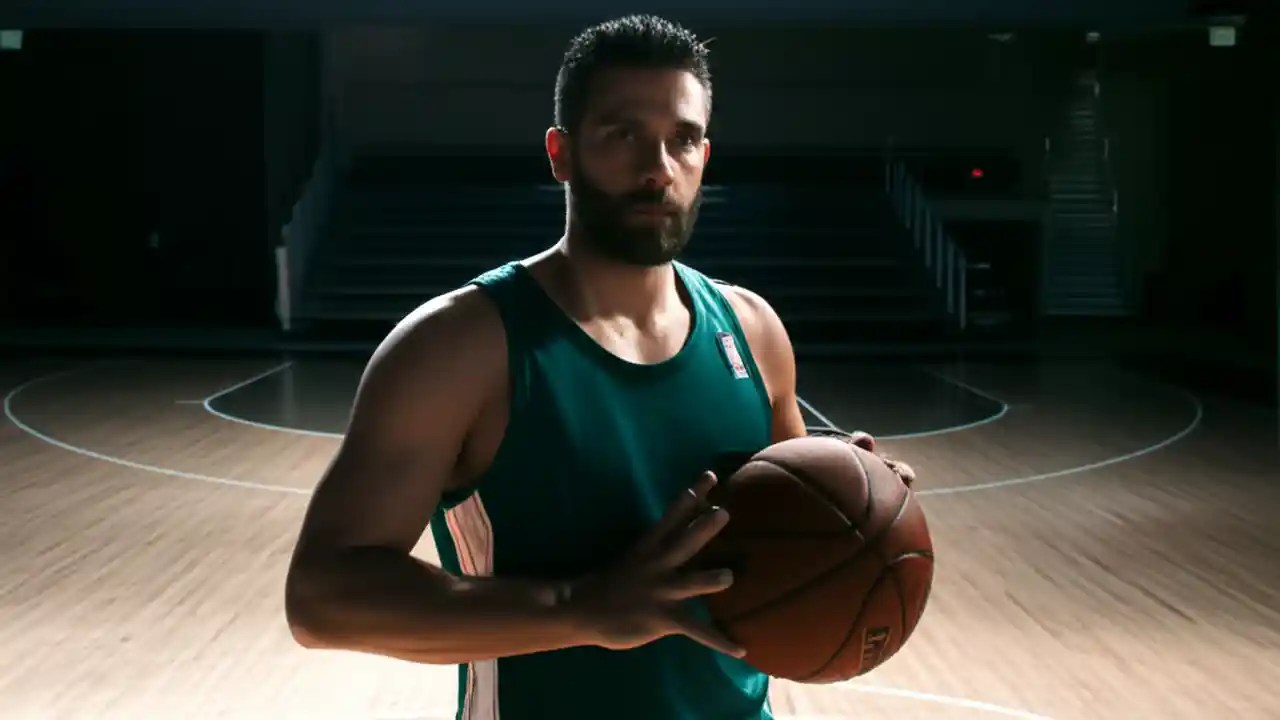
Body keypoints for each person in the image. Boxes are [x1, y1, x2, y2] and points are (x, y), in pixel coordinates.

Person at [284, 14, 894, 720]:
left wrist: (859, 502)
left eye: (683, 138)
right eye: (622, 133)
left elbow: (792, 527)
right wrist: (582, 607)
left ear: (705, 154)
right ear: (561, 153)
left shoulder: (752, 331)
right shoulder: (460, 347)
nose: (657, 166)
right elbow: (322, 599)